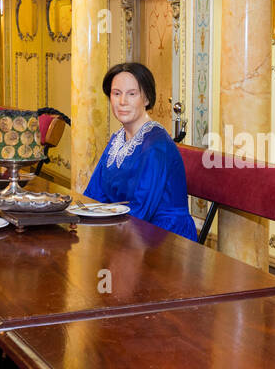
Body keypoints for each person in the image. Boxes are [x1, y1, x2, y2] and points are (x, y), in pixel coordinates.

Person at [84, 62, 197, 241]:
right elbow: (94, 194)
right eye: (116, 93)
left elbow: (142, 210)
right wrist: (79, 215)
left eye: (132, 94)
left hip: (166, 237)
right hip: (129, 230)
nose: (122, 101)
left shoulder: (157, 145)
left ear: (146, 99)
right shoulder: (117, 139)